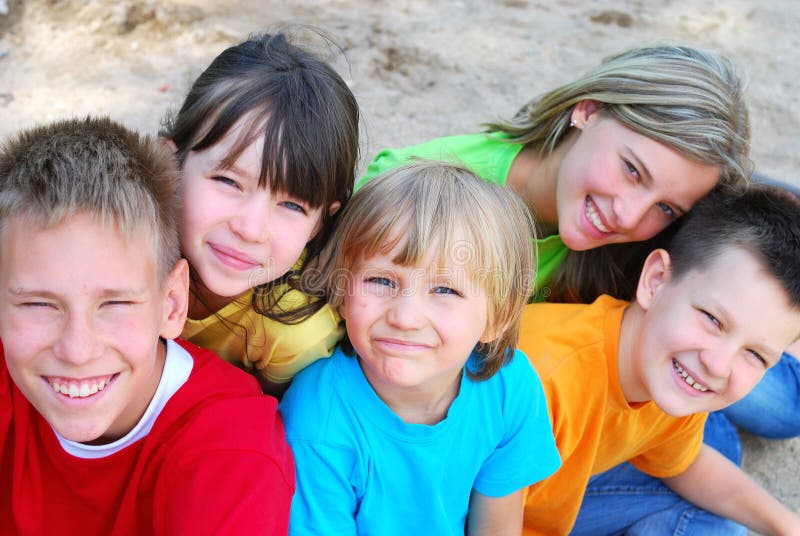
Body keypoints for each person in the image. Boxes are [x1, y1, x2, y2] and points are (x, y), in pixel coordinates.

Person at [0, 117, 294, 534]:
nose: (77, 351)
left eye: (115, 303)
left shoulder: (233, 447)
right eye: (39, 304)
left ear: (172, 304)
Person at [279, 162, 561, 534]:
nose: (405, 317)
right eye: (381, 280)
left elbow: (497, 527)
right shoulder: (318, 419)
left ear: (498, 316)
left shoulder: (509, 388)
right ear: (341, 289)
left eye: (445, 290)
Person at [517, 186, 800, 535]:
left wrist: (789, 526)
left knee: (723, 509)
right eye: (713, 319)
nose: (718, 366)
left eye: (755, 354)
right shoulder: (541, 384)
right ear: (654, 282)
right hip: (484, 511)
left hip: (550, 494)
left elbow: (684, 462)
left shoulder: (676, 373)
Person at [160, 30, 360, 396]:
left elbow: (268, 422)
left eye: (292, 205)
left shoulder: (294, 331)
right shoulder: (117, 248)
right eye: (228, 181)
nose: (250, 230)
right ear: (170, 163)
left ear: (320, 222)